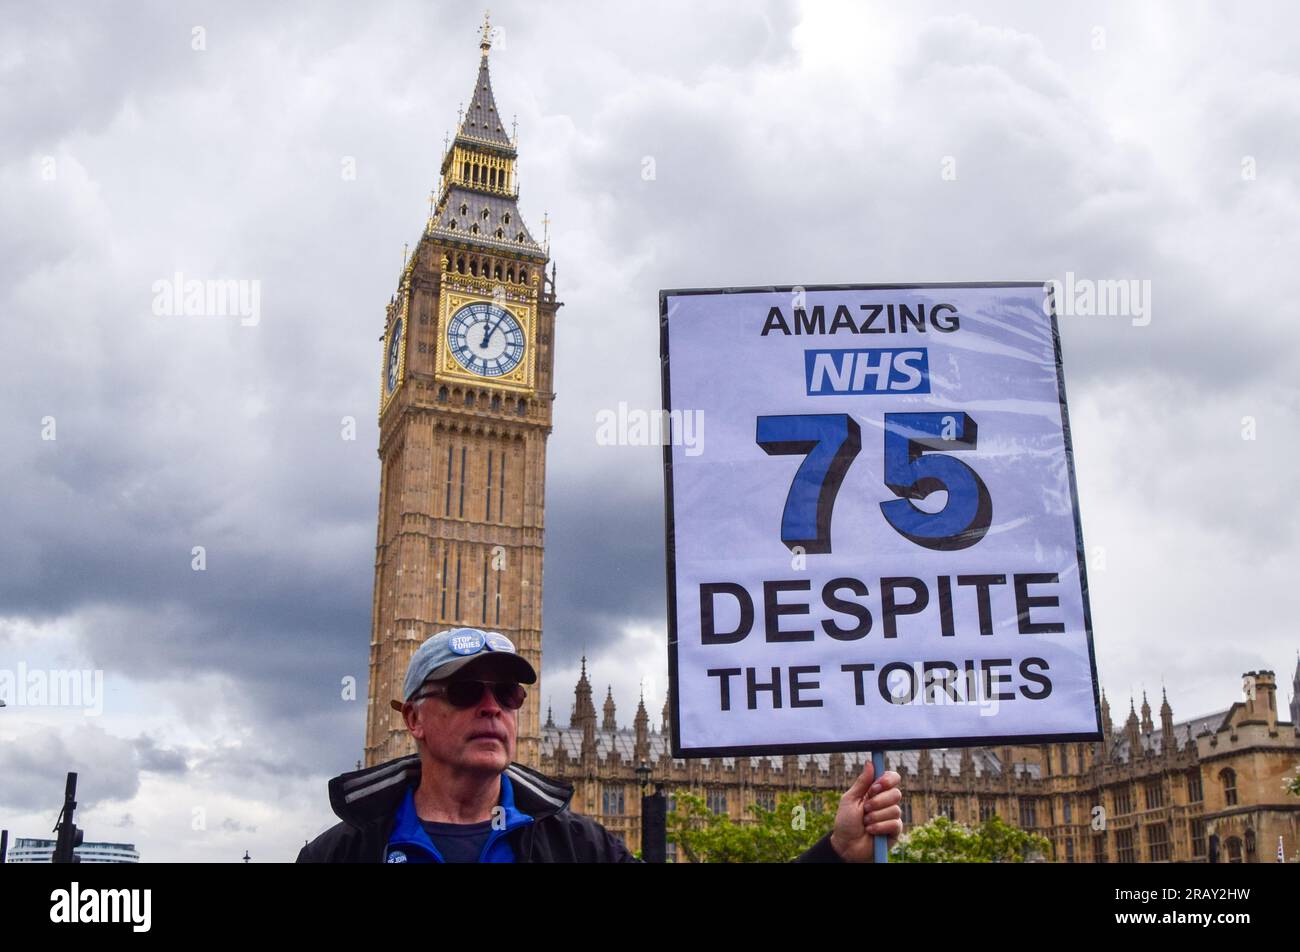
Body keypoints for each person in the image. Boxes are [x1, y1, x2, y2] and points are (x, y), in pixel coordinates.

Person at [297, 627, 904, 863]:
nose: (491, 706)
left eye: (508, 695)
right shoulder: (342, 854)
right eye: (465, 692)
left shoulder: (575, 845)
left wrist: (835, 850)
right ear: (414, 719)